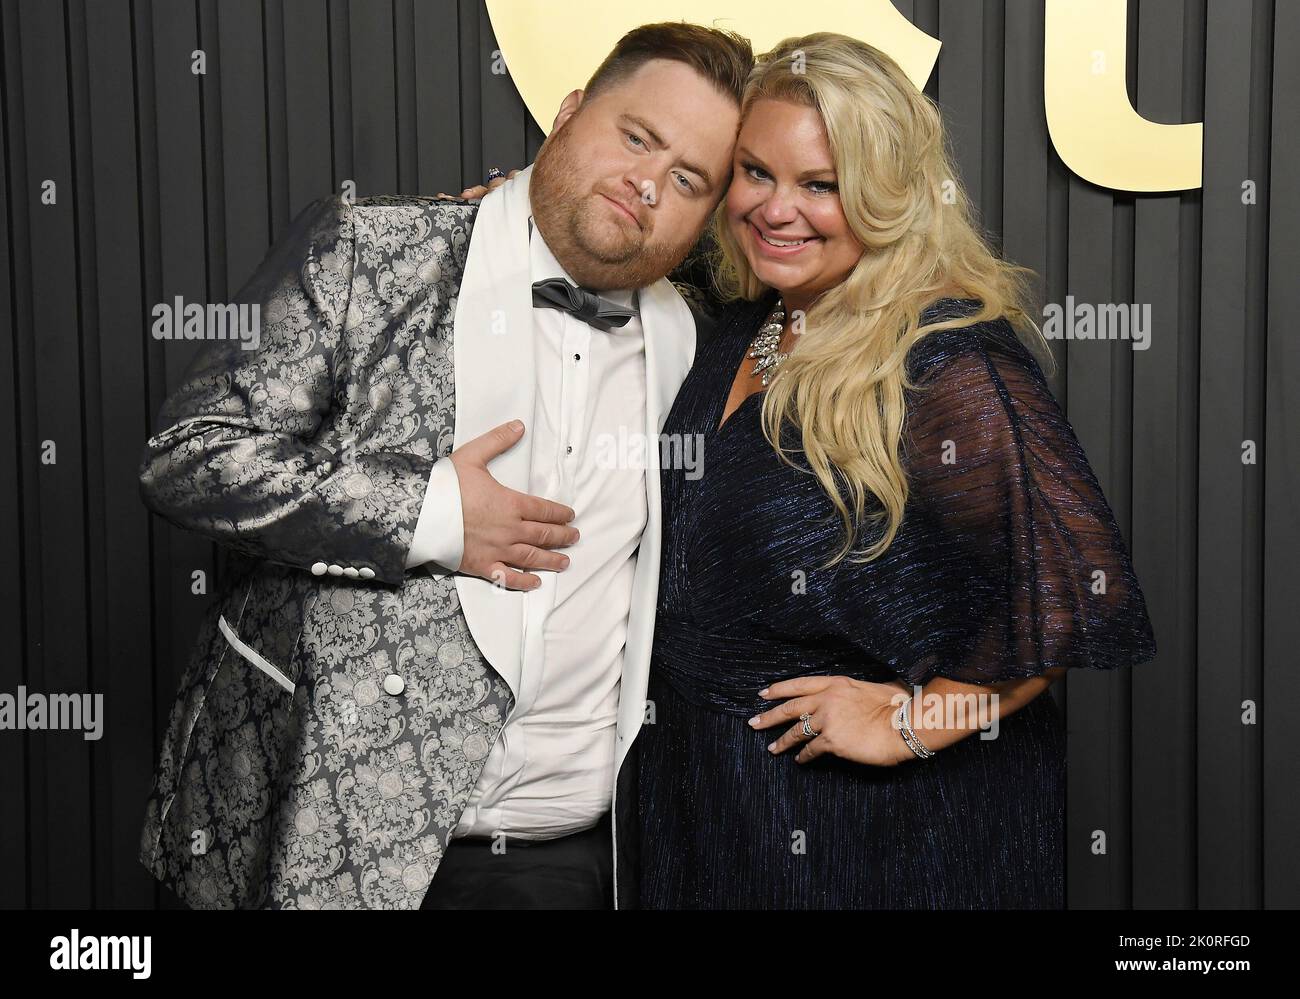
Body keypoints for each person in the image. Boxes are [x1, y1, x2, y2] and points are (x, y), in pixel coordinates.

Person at [135, 21, 753, 909]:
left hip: (571, 855)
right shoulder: (374, 252)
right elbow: (191, 456)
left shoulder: (700, 338)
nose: (648, 182)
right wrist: (429, 514)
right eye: (635, 135)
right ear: (569, 113)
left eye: (688, 178)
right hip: (329, 830)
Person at [625, 32, 1157, 908]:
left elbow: (1070, 592)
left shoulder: (944, 360)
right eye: (754, 172)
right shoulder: (743, 321)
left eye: (821, 184)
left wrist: (912, 722)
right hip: (708, 801)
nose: (774, 208)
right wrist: (518, 215)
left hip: (871, 833)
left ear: (887, 195)